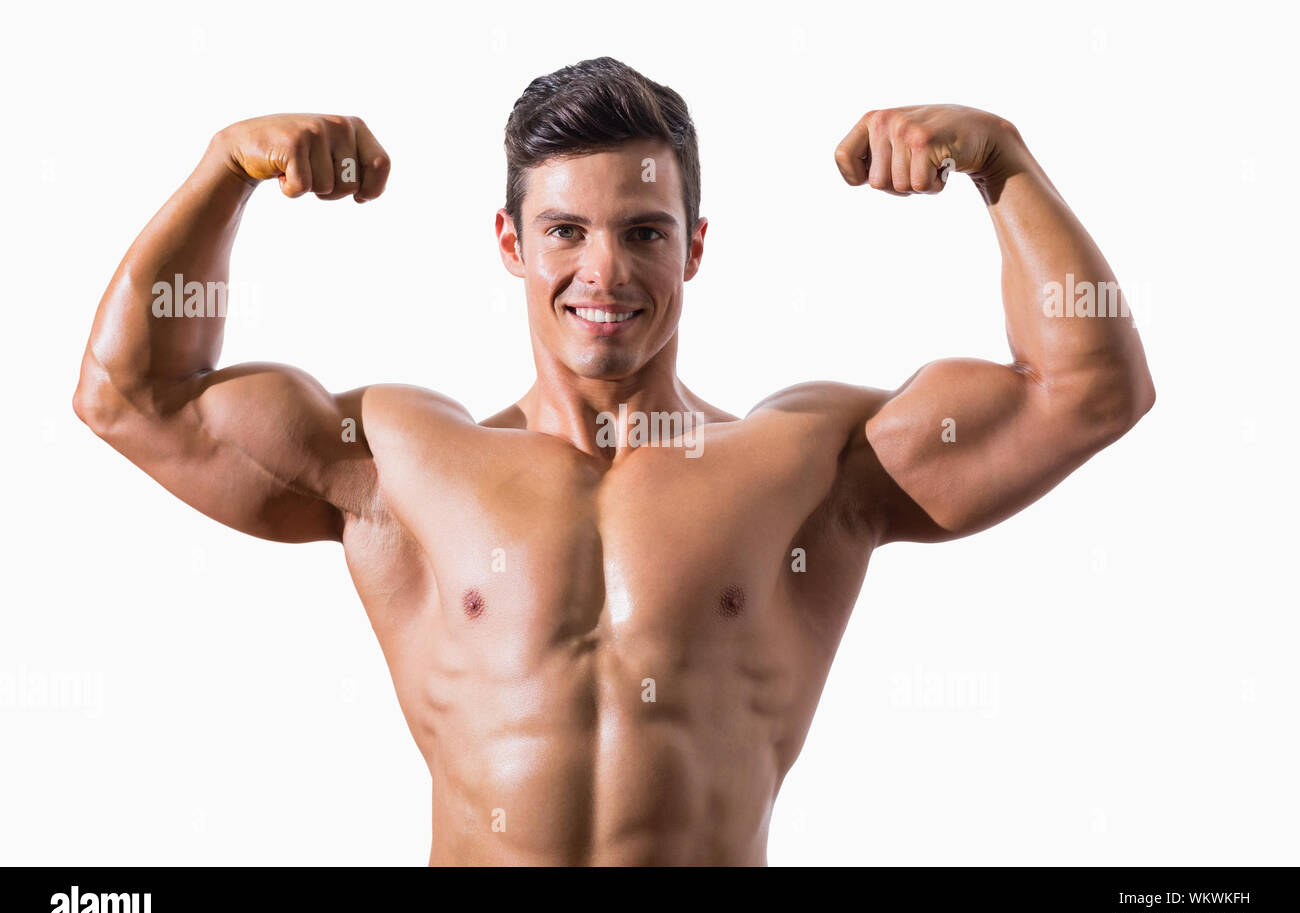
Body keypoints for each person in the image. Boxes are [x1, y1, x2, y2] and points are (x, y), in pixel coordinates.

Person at [73, 57, 1155, 865]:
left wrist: (1001, 159)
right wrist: (225, 168)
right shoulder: (400, 460)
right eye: (564, 232)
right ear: (510, 243)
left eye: (643, 231)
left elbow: (1087, 391)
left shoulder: (806, 463)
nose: (603, 270)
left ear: (692, 245)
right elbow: (131, 395)